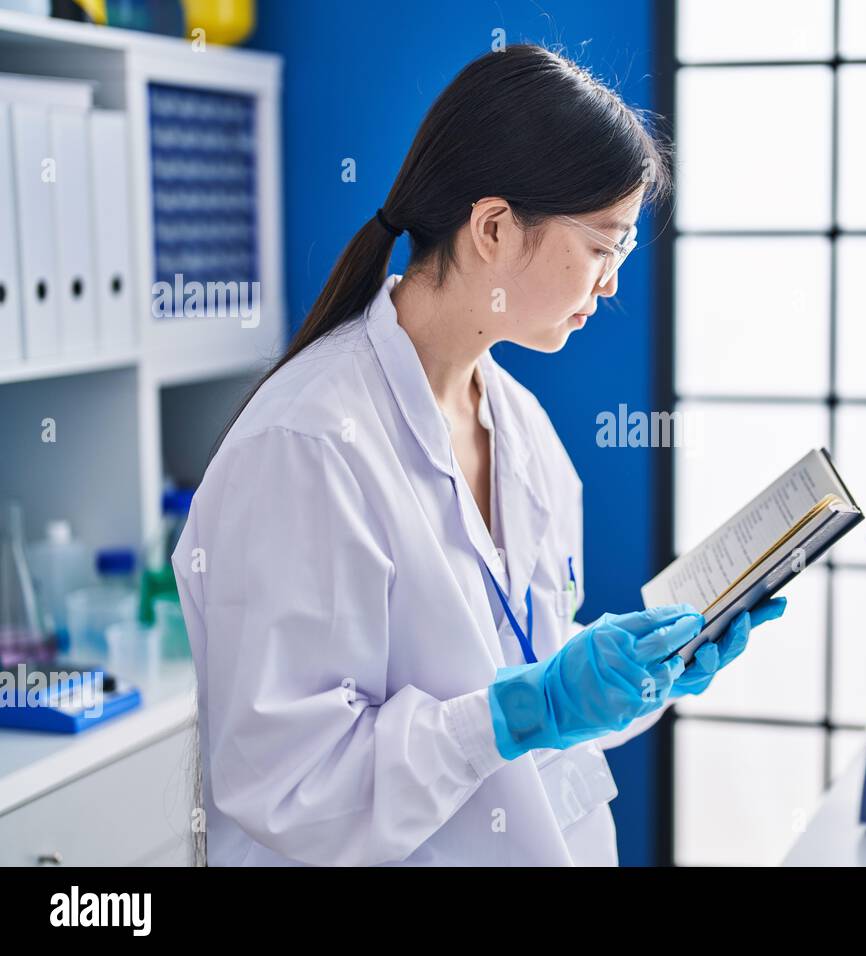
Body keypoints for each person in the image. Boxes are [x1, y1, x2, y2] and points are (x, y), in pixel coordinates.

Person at [171, 44, 786, 867]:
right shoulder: (309, 445)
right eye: (604, 246)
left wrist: (639, 679)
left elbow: (531, 677)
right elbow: (294, 783)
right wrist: (526, 709)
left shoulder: (520, 425)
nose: (610, 285)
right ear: (494, 227)